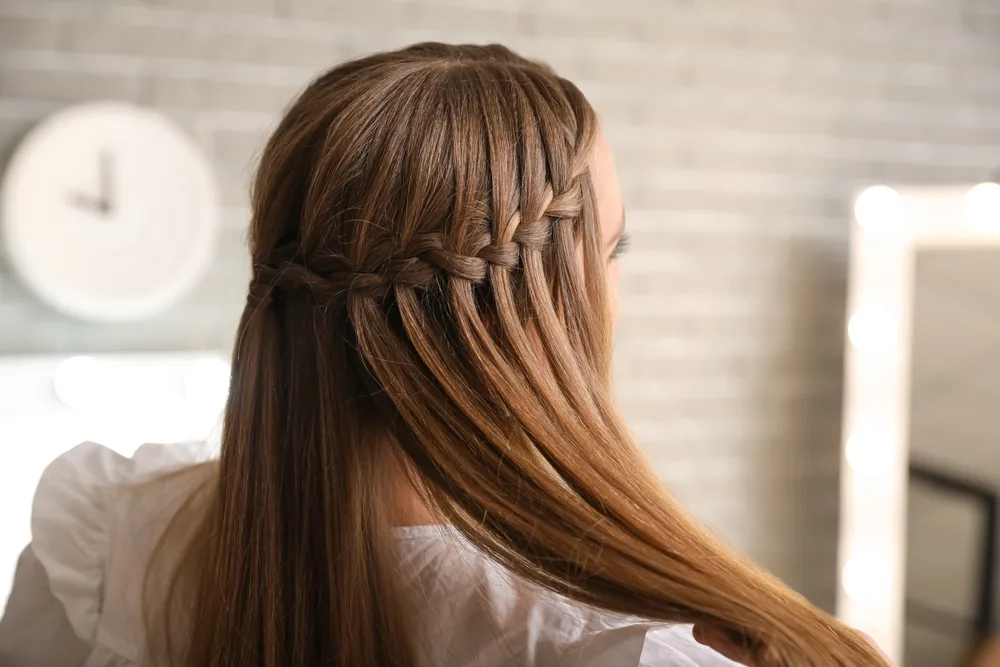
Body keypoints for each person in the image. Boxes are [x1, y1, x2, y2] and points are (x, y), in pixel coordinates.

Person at [0, 43, 888, 667]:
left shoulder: (111, 538)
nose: (618, 291)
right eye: (610, 251)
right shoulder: (613, 648)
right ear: (533, 305)